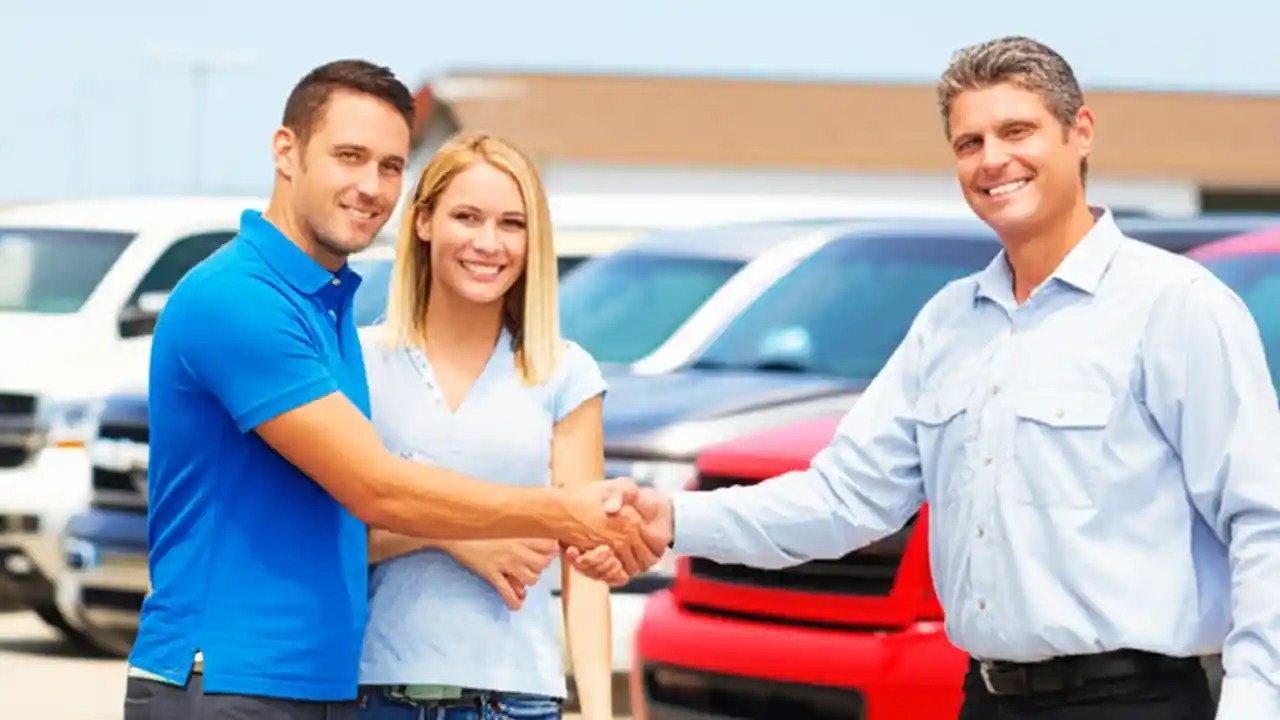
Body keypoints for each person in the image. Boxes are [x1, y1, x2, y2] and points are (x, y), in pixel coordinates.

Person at [571, 36, 1280, 720]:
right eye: (969, 143)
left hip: (1133, 701)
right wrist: (673, 520)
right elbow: (843, 498)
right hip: (983, 699)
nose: (993, 160)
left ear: (1080, 132)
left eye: (1017, 131)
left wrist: (1254, 705)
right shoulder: (948, 324)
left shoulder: (1176, 307)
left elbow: (1264, 523)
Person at [124, 60, 652, 720]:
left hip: (321, 685)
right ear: (287, 152)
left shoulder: (326, 307)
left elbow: (329, 513)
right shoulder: (239, 298)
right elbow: (373, 487)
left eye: (390, 166)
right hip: (226, 682)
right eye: (349, 157)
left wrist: (453, 534)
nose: (370, 186)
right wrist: (563, 512)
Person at [353, 132, 613, 719]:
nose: (488, 243)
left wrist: (599, 711)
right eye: (466, 217)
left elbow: (586, 561)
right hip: (370, 695)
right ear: (423, 222)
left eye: (512, 224)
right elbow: (329, 536)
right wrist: (458, 534)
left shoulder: (565, 372)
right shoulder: (358, 363)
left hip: (514, 699)